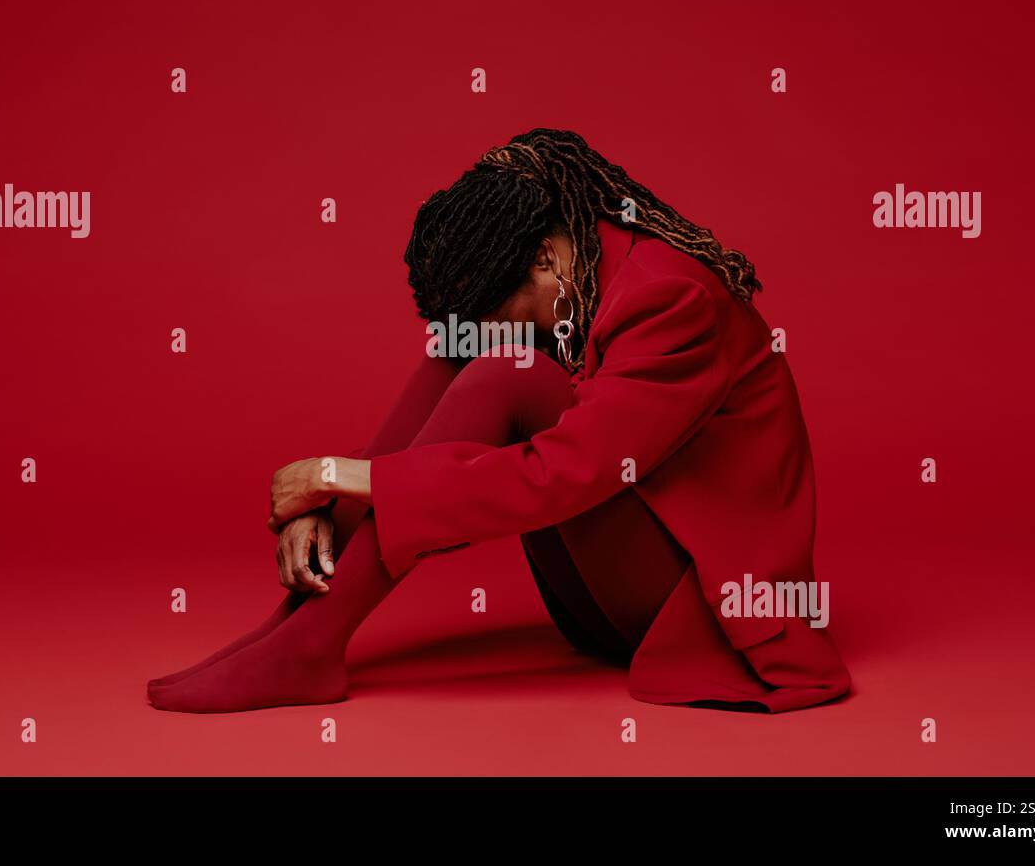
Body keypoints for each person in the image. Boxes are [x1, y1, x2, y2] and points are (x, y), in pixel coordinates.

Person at [147, 128, 851, 713]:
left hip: (689, 613)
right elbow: (446, 434)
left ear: (545, 258)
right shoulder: (579, 274)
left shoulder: (671, 301)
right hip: (597, 603)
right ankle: (298, 631)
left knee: (503, 367)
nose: (510, 330)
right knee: (465, 355)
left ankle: (308, 648)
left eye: (509, 311)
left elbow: (562, 476)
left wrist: (341, 476)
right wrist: (329, 501)